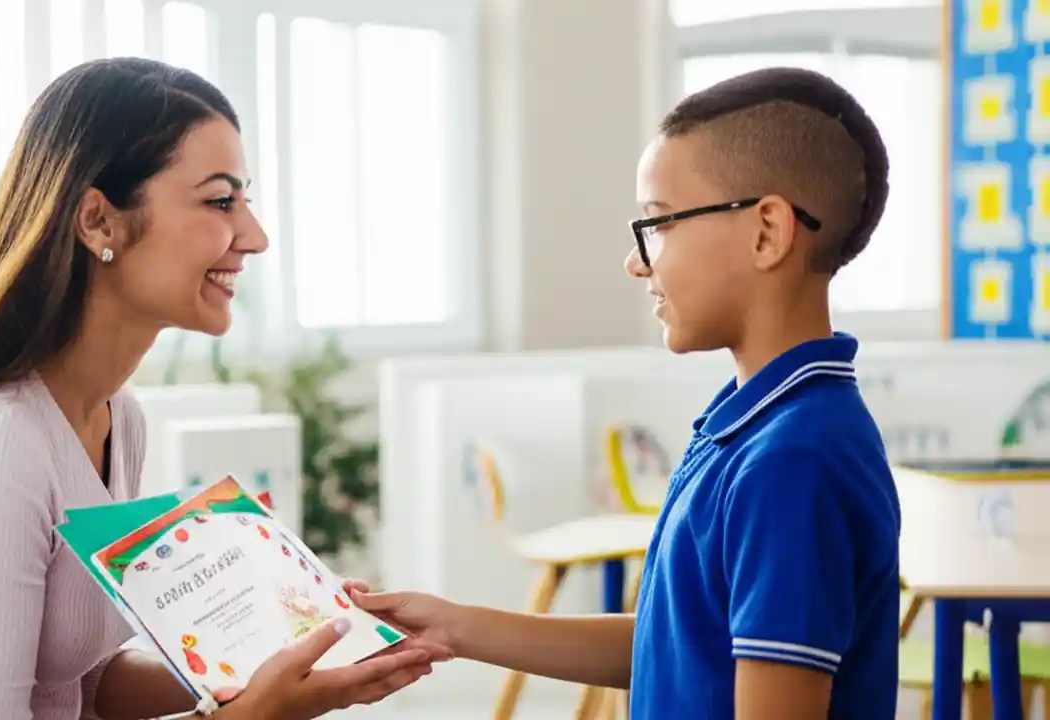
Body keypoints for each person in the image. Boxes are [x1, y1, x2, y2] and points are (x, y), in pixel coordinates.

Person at [0, 57, 445, 720]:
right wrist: (251, 714)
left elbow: (76, 687)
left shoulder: (117, 418)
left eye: (245, 200)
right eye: (219, 200)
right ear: (98, 222)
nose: (254, 237)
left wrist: (284, 656)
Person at [348, 66, 902, 719]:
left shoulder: (793, 460)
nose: (637, 261)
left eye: (658, 224)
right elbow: (678, 644)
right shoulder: (758, 427)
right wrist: (456, 628)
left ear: (766, 232)